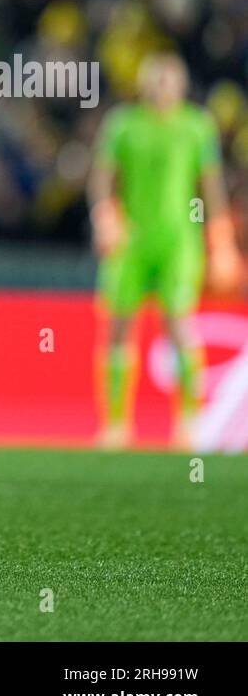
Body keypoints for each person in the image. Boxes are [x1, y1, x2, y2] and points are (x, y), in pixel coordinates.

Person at [89, 51, 241, 450]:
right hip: (131, 241)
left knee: (179, 324)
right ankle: (116, 426)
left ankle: (189, 425)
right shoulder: (122, 125)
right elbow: (103, 176)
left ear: (182, 84)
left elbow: (210, 186)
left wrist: (221, 240)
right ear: (143, 84)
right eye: (155, 80)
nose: (162, 87)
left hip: (178, 241)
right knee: (119, 327)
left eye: (169, 80)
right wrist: (105, 217)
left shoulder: (196, 127)